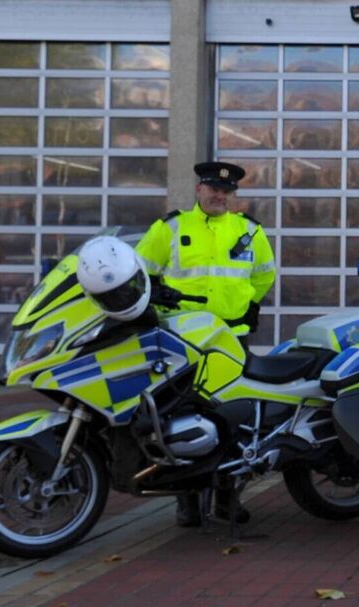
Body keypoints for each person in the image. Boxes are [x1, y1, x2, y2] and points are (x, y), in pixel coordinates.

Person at [136, 161, 276, 527]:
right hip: (182, 341)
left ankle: (229, 496)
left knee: (235, 420)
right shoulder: (171, 228)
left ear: (234, 196)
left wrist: (248, 306)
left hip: (231, 339)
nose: (220, 195)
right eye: (213, 188)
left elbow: (265, 275)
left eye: (227, 191)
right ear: (199, 190)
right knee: (179, 419)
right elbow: (142, 273)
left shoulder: (248, 231)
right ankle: (187, 500)